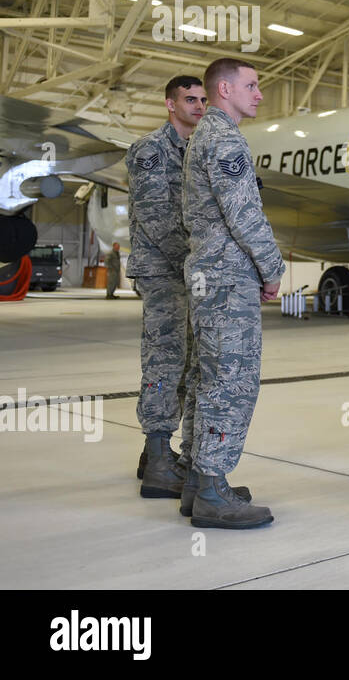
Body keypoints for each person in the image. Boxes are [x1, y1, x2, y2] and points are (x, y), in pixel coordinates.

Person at [182, 58, 283, 529]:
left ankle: (202, 482)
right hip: (226, 278)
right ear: (225, 89)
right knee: (231, 382)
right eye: (252, 85)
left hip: (211, 274)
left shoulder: (205, 135)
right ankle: (211, 491)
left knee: (209, 380)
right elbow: (244, 214)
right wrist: (272, 267)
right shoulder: (224, 139)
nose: (259, 94)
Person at [127, 74, 207, 499]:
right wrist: (194, 261)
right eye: (189, 99)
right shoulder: (150, 150)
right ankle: (159, 461)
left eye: (202, 99)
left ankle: (153, 454)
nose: (198, 106)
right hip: (162, 272)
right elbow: (156, 216)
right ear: (169, 104)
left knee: (186, 361)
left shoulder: (196, 151)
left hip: (188, 273)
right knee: (164, 361)